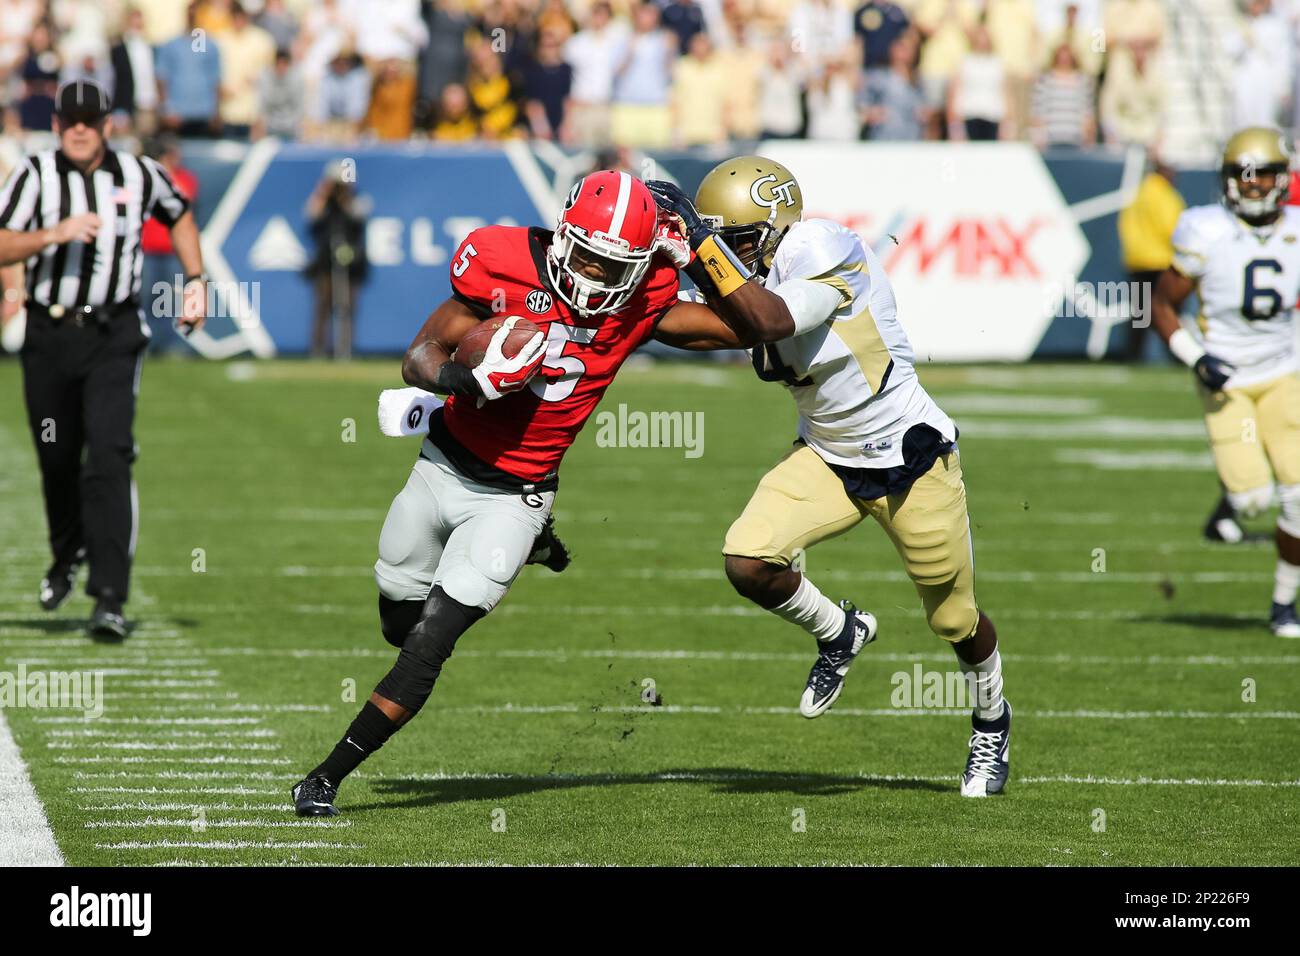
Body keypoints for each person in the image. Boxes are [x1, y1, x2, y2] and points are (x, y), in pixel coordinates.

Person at [289, 170, 790, 816]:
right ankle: (527, 549)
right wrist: (463, 381)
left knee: (430, 643)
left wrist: (696, 246)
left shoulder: (643, 300)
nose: (595, 277)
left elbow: (751, 328)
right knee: (397, 623)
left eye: (614, 267)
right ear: (562, 236)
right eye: (585, 256)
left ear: (638, 267)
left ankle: (325, 777)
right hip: (441, 465)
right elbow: (419, 354)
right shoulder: (499, 262)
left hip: (519, 495)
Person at [647, 157, 1012, 797]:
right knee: (747, 559)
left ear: (773, 225)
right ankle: (840, 631)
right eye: (722, 239)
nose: (731, 253)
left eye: (737, 238)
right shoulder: (758, 275)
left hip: (909, 458)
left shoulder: (820, 245)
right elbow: (693, 328)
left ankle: (991, 722)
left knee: (955, 622)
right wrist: (622, 299)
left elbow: (766, 321)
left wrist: (699, 249)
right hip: (828, 456)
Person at [0, 80, 206, 638]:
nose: (80, 129)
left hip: (113, 331)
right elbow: (2, 241)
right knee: (55, 456)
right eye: (71, 120)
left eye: (90, 119)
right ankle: (66, 555)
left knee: (109, 457)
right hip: (48, 332)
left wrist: (195, 280)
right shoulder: (35, 174)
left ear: (108, 124)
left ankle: (110, 596)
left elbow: (180, 213)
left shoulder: (138, 173)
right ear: (58, 124)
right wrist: (53, 233)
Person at [1152, 128, 1300, 636]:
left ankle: (1283, 604)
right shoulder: (1204, 228)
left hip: (1284, 372)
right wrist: (1195, 357)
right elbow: (1161, 303)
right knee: (1254, 501)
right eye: (1245, 173)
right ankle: (1234, 504)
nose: (1255, 184)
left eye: (1265, 174)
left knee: (1299, 498)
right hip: (1227, 377)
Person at [304, 163, 369, 359]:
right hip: (325, 261)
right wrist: (324, 192)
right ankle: (318, 350)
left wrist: (345, 196)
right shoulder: (323, 202)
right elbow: (311, 215)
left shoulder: (357, 201)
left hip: (351, 263)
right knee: (322, 306)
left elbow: (358, 216)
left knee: (348, 306)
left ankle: (345, 349)